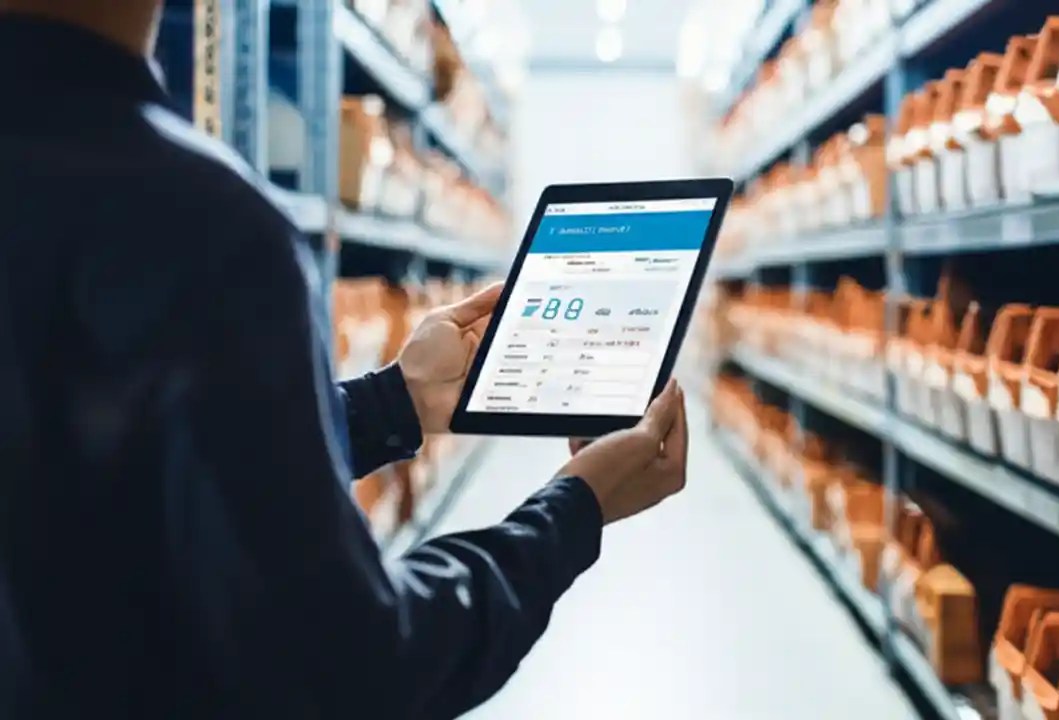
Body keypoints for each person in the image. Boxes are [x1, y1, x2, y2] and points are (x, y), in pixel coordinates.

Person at [0, 1, 689, 717]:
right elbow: (357, 667)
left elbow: (92, 463)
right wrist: (573, 509)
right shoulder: (194, 223)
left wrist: (393, 402)